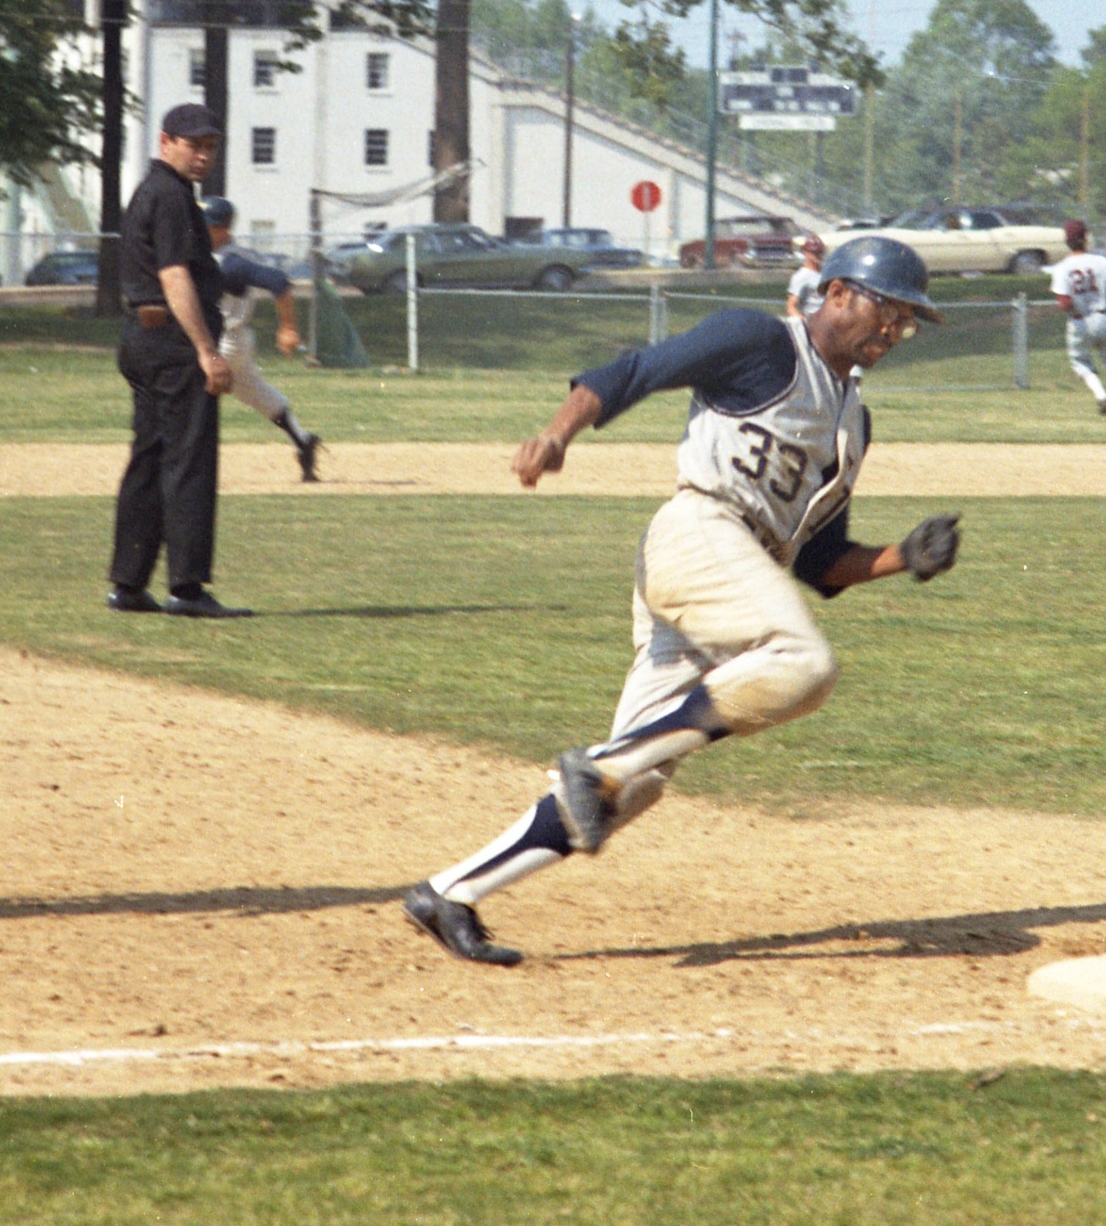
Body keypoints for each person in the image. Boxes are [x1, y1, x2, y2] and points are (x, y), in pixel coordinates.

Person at [402, 236, 963, 966]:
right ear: (836, 294)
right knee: (804, 663)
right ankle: (602, 764)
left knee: (634, 787)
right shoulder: (762, 342)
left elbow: (821, 562)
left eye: (906, 321)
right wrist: (558, 433)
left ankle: (450, 892)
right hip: (699, 533)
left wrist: (902, 557)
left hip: (735, 577)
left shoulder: (853, 423)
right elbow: (635, 370)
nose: (896, 328)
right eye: (888, 309)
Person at [106, 104, 253, 619]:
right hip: (174, 344)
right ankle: (187, 589)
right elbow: (174, 277)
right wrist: (207, 352)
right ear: (166, 141)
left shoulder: (153, 191)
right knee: (188, 460)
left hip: (143, 339)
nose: (204, 155)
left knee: (149, 459)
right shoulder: (170, 196)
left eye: (211, 146)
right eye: (194, 145)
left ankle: (128, 584)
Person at [204, 197, 322, 482]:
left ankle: (189, 462)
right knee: (255, 392)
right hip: (232, 341)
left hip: (225, 342)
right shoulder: (211, 255)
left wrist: (288, 328)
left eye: (203, 223)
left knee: (191, 391)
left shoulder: (230, 263)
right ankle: (303, 440)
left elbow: (279, 281)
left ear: (221, 229)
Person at [1048, 219, 1106, 418]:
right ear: (1085, 238)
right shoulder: (1102, 262)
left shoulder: (1061, 268)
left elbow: (1064, 302)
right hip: (1105, 317)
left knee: (1080, 362)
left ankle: (1101, 394)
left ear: (1067, 241)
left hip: (1080, 321)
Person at [784, 234, 826, 317]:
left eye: (819, 252)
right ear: (805, 252)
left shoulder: (827, 270)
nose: (817, 255)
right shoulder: (801, 277)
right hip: (812, 317)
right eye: (813, 252)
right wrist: (803, 320)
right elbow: (791, 307)